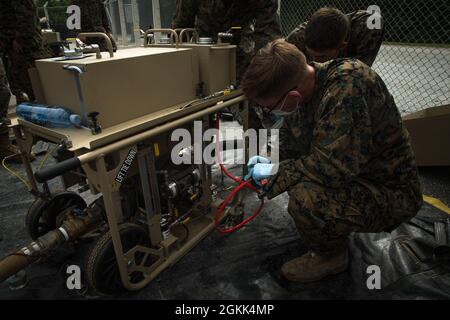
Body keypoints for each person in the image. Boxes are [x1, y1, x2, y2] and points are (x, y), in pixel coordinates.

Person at [242, 39, 422, 282]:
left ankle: (331, 257)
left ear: (292, 95)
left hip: (390, 191)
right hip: (358, 175)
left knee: (306, 199)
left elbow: (334, 169)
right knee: (296, 178)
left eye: (269, 108)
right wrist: (270, 161)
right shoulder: (303, 95)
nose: (269, 114)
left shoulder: (348, 85)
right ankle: (336, 229)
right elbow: (290, 146)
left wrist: (276, 173)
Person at [286, 7, 384, 66]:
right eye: (311, 55)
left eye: (322, 57)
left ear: (342, 46)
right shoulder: (297, 37)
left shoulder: (366, 28)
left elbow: (357, 74)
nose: (316, 62)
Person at [0, 0, 50, 103]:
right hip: (11, 45)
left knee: (32, 84)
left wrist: (20, 38)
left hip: (24, 45)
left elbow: (27, 14)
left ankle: (40, 111)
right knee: (19, 83)